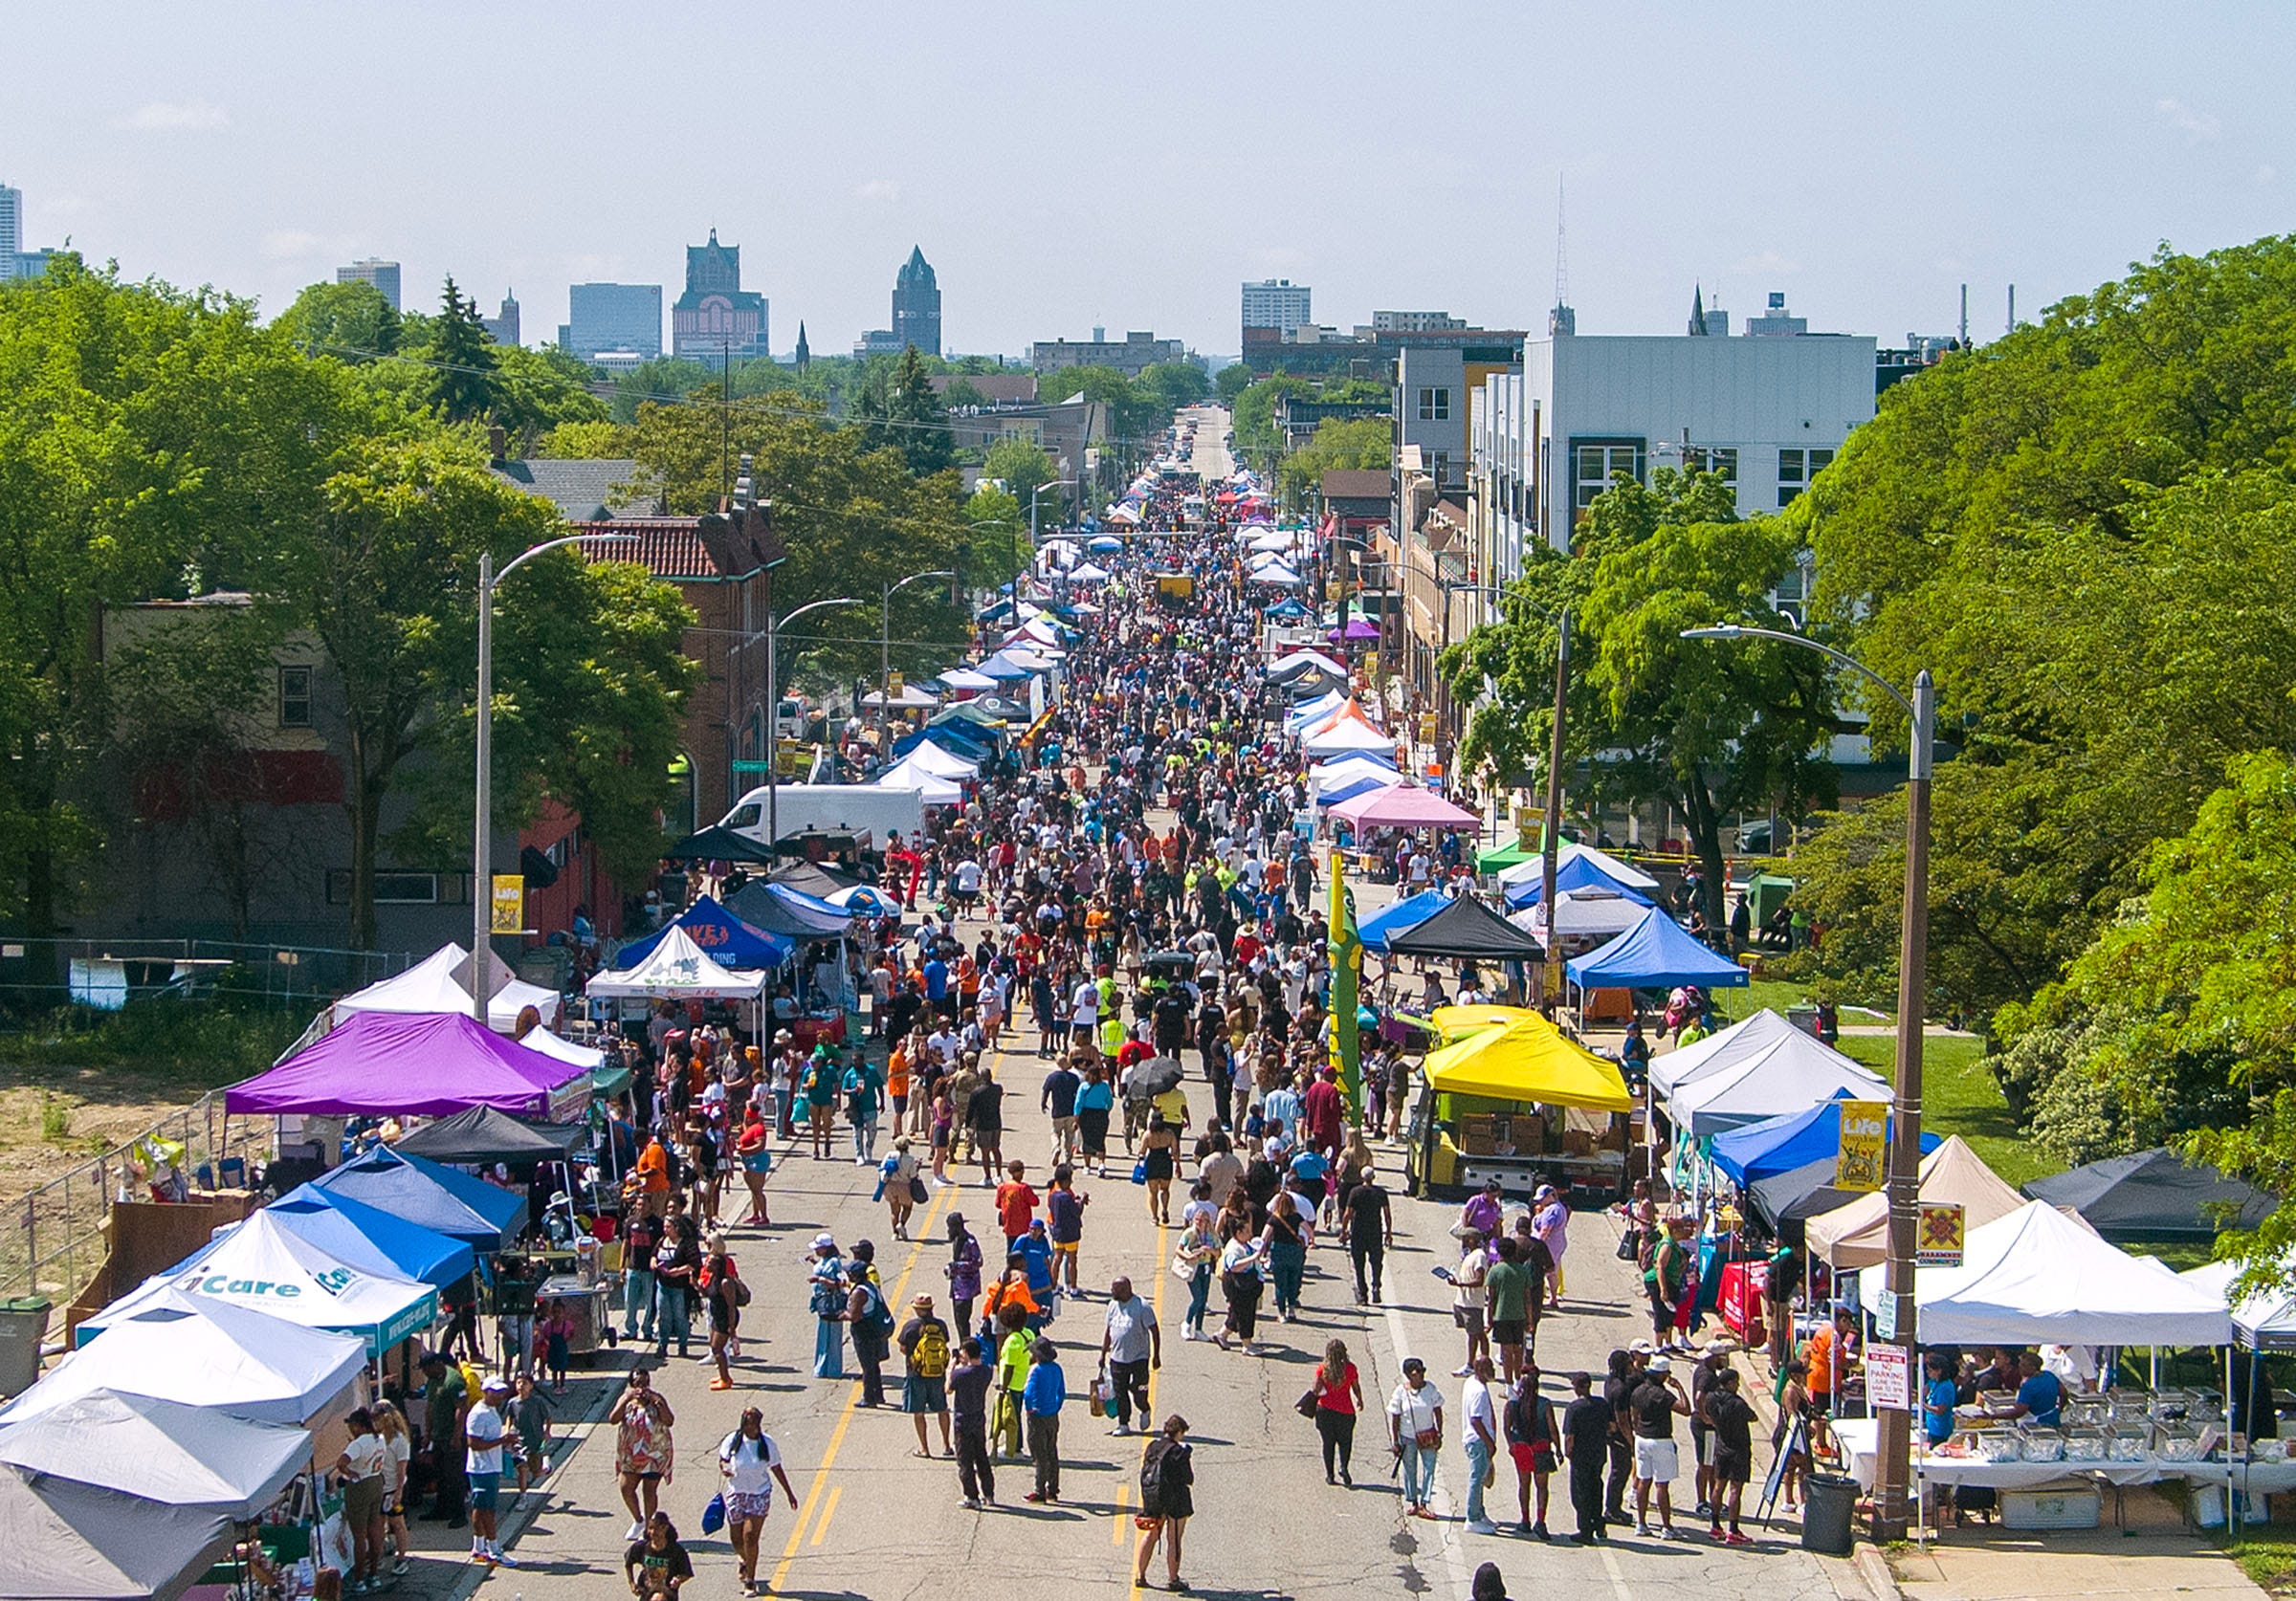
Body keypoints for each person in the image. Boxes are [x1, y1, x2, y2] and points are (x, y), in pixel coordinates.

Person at [717, 1406, 799, 1595]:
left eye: (754, 1423)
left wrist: (789, 1493)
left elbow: (777, 1468)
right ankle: (744, 1559)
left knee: (750, 1536)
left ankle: (750, 1580)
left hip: (759, 1494)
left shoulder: (767, 1444)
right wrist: (724, 1468)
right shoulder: (733, 1440)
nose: (751, 1427)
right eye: (748, 1423)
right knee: (736, 1538)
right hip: (736, 1493)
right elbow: (722, 1459)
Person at [608, 1367, 675, 1541]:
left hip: (655, 1454)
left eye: (645, 1384)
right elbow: (613, 1419)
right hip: (630, 1454)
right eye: (637, 1384)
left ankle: (648, 1529)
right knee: (626, 1487)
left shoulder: (657, 1400)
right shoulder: (626, 1400)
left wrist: (658, 1403)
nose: (641, 1388)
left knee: (649, 1490)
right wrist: (626, 1400)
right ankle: (638, 1520)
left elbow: (669, 1421)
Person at [1132, 1415, 1196, 1593]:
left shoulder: (1153, 1447)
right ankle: (1173, 1579)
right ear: (1179, 1432)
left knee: (1151, 1535)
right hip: (1176, 1502)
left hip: (1154, 1499)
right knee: (1174, 1540)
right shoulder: (1179, 1452)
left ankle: (1140, 1575)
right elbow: (1188, 1478)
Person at [1630, 1354, 1691, 1538]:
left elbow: (1634, 1417)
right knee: (1661, 1485)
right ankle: (1667, 1527)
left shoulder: (1638, 1391)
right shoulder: (1662, 1395)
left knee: (1643, 1480)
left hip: (1641, 1438)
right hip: (1661, 1440)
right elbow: (1686, 1409)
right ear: (1662, 1375)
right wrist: (1679, 1387)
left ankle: (1641, 1523)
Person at [333, 1407, 388, 1593]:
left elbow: (341, 1463)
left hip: (360, 1485)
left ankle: (358, 1578)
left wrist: (350, 1473)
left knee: (359, 1536)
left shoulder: (358, 1444)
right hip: (376, 1481)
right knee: (375, 1531)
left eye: (351, 1426)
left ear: (357, 1426)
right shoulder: (379, 1439)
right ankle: (373, 1574)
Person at [1099, 1275, 1161, 1436]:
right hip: (1117, 1358)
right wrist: (1103, 1353)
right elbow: (1108, 1331)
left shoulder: (1142, 1306)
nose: (1111, 1291)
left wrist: (1156, 1355)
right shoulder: (1113, 1305)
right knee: (1120, 1392)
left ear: (1125, 1289)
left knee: (1140, 1388)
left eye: (1114, 1289)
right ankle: (1123, 1424)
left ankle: (1144, 1408)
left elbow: (1154, 1331)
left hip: (1139, 1358)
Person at [1700, 1367, 1756, 1545]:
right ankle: (1733, 1529)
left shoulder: (1711, 1399)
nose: (1738, 1385)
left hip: (1722, 1446)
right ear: (1729, 1383)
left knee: (1718, 1486)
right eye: (1736, 1382)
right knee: (1735, 1490)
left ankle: (1715, 1526)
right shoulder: (1737, 1403)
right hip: (1738, 1449)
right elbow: (1753, 1417)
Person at [1503, 1364, 1557, 1539]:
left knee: (1524, 1483)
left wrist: (1511, 1444)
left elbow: (1506, 1427)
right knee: (1542, 1486)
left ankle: (1525, 1519)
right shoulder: (1544, 1404)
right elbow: (1552, 1428)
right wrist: (1558, 1448)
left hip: (1521, 1448)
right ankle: (1541, 1522)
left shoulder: (1512, 1404)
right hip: (1541, 1447)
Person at [898, 1293, 956, 1458]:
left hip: (916, 1374)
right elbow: (944, 1343)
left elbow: (902, 1348)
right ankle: (946, 1445)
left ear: (917, 1309)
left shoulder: (910, 1326)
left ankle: (925, 1448)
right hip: (937, 1374)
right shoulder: (941, 1325)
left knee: (919, 1412)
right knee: (942, 1409)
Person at [464, 1376, 513, 1567]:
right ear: (486, 1392)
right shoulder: (477, 1414)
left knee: (481, 1508)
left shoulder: (491, 1410)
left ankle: (479, 1547)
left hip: (491, 1467)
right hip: (482, 1469)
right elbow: (474, 1444)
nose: (500, 1396)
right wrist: (502, 1441)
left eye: (501, 1392)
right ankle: (493, 1549)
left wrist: (505, 1442)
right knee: (487, 1511)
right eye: (496, 1393)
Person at [1559, 1371, 1613, 1544]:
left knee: (1580, 1493)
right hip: (1598, 1454)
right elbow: (1612, 1427)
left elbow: (1570, 1437)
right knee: (1596, 1488)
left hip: (1581, 1457)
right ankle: (1598, 1523)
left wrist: (1568, 1453)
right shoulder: (1602, 1404)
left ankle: (1585, 1530)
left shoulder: (1574, 1408)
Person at [1388, 1357, 1446, 1520]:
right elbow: (1395, 1417)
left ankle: (1424, 1503)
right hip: (1408, 1437)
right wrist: (1396, 1442)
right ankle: (1413, 1501)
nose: (1420, 1376)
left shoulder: (1431, 1389)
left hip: (1428, 1436)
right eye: (1416, 1373)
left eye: (1422, 1372)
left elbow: (1438, 1411)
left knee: (1429, 1469)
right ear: (1408, 1375)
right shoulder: (1400, 1392)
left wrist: (1439, 1433)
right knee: (1409, 1469)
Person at [417, 1349, 468, 1528]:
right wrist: (427, 1434)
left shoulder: (453, 1381)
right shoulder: (432, 1380)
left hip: (451, 1436)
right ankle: (441, 1509)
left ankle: (459, 1514)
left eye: (425, 1369)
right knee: (440, 1474)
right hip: (438, 1436)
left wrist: (456, 1436)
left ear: (436, 1365)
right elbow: (429, 1407)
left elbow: (461, 1410)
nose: (424, 1373)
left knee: (454, 1476)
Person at [845, 1239, 894, 1408]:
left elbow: (854, 1314)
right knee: (873, 1363)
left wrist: (838, 1315)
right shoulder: (868, 1284)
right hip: (874, 1328)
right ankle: (878, 1394)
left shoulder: (864, 1286)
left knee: (867, 1365)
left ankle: (869, 1397)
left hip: (865, 1330)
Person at [949, 1337, 998, 1508]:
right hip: (978, 1418)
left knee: (965, 1460)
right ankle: (989, 1494)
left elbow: (948, 1389)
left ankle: (972, 1496)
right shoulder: (987, 1371)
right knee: (981, 1456)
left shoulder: (960, 1374)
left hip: (963, 1421)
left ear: (967, 1353)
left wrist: (952, 1368)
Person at [1312, 1337, 1365, 1485]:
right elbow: (1355, 1387)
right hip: (1345, 1411)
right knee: (1345, 1442)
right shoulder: (1350, 1368)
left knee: (1328, 1444)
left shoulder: (1322, 1368)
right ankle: (1344, 1467)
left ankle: (1330, 1475)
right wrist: (1360, 1400)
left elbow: (1316, 1389)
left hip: (1325, 1410)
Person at [370, 1400, 415, 1578]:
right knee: (378, 1524)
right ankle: (378, 1555)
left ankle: (401, 1557)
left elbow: (401, 1468)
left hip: (393, 1488)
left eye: (376, 1419)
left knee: (397, 1523)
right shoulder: (378, 1438)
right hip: (378, 1488)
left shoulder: (399, 1440)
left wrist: (398, 1492)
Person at [1022, 1337, 1068, 1503]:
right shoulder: (1057, 1369)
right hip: (1052, 1414)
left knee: (1039, 1454)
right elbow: (1061, 1392)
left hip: (1038, 1415)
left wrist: (1029, 1409)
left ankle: (1039, 1490)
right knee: (1052, 1451)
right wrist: (1056, 1407)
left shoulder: (1036, 1370)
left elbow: (1028, 1393)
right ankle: (1053, 1489)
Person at [1340, 1165, 1393, 1305]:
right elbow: (1387, 1215)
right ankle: (1376, 1285)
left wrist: (1343, 1231)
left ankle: (1363, 1294)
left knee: (1359, 1264)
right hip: (1375, 1231)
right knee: (1376, 1262)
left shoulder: (1355, 1192)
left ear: (1361, 1177)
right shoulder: (1381, 1193)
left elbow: (1348, 1213)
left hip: (1358, 1232)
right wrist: (1388, 1232)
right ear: (1373, 1177)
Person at [1213, 1217, 1265, 1354]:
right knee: (1245, 1314)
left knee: (1237, 1312)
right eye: (1247, 1231)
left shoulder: (1245, 1244)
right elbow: (1233, 1266)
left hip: (1248, 1284)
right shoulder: (1233, 1247)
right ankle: (1247, 1345)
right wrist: (1252, 1259)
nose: (1250, 1233)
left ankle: (1222, 1335)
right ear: (1238, 1232)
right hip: (1237, 1284)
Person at [1484, 1237, 1532, 1383]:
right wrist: (1529, 1320)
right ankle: (1518, 1380)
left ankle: (1509, 1384)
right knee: (1518, 1350)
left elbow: (1491, 1300)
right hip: (1519, 1316)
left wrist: (1489, 1321)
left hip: (1501, 1316)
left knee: (1506, 1351)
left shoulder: (1495, 1271)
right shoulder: (1523, 1270)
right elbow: (1527, 1299)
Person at [1462, 1355, 1501, 1534]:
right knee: (1477, 1479)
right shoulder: (1479, 1391)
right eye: (1489, 1367)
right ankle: (1472, 1518)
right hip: (1478, 1441)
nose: (1493, 1370)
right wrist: (1489, 1442)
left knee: (1481, 1477)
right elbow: (1476, 1420)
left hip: (1477, 1440)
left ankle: (1480, 1512)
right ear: (1479, 1370)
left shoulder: (1472, 1382)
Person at [702, 1241, 746, 1392]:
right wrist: (696, 1284)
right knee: (713, 1346)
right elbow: (708, 1293)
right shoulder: (713, 1278)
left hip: (726, 1318)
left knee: (717, 1349)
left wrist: (732, 1328)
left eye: (710, 1262)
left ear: (717, 1266)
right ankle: (723, 1376)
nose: (706, 1263)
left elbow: (731, 1307)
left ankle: (726, 1379)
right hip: (717, 1316)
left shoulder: (725, 1282)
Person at [993, 1304, 1034, 1458]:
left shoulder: (1012, 1341)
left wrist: (1003, 1388)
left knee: (1011, 1417)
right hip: (1022, 1379)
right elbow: (1032, 1357)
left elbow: (1009, 1367)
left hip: (1011, 1384)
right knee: (1016, 1414)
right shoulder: (1028, 1334)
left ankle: (1014, 1448)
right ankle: (1016, 1445)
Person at [623, 1510, 692, 1599]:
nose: (653, 1532)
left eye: (657, 1528)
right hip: (647, 1593)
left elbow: (686, 1573)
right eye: (650, 1528)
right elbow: (628, 1562)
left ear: (665, 1528)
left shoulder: (676, 1551)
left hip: (667, 1593)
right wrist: (632, 1583)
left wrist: (678, 1580)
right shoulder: (641, 1547)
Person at [1173, 1210, 1218, 1342]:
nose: (1199, 1222)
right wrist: (1189, 1256)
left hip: (1206, 1266)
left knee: (1203, 1300)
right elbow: (1178, 1249)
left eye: (1202, 1220)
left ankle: (1198, 1329)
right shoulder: (1189, 1233)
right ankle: (1186, 1324)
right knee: (1197, 1298)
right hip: (1194, 1267)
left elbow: (1218, 1252)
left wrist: (1210, 1250)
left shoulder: (1212, 1235)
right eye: (1197, 1219)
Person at [1451, 1229, 1490, 1376]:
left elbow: (1480, 1280)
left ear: (1472, 1239)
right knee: (1475, 1334)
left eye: (1466, 1238)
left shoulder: (1480, 1256)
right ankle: (1477, 1364)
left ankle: (1474, 1364)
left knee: (1476, 1335)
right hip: (1463, 1302)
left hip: (1473, 1303)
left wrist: (1461, 1285)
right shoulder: (1470, 1255)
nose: (1463, 1241)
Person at [807, 1234, 848, 1379]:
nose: (816, 1250)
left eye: (818, 1248)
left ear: (825, 1248)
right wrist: (814, 1262)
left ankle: (833, 1369)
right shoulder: (825, 1260)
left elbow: (842, 1282)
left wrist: (821, 1280)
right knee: (823, 1335)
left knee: (833, 1336)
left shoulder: (835, 1262)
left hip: (832, 1303)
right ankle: (822, 1367)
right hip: (822, 1302)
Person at [509, 1371, 554, 1501]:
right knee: (522, 1469)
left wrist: (547, 1431)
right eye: (518, 1382)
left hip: (535, 1441)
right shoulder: (512, 1403)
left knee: (536, 1472)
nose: (521, 1386)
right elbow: (510, 1418)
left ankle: (546, 1467)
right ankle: (523, 1496)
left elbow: (548, 1418)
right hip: (520, 1442)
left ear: (531, 1386)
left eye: (524, 1383)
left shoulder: (537, 1402)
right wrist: (508, 1433)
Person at [1047, 1164, 1090, 1295]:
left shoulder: (1053, 1195)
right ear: (1065, 1181)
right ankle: (1073, 1288)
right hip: (1070, 1233)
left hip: (1058, 1232)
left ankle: (1053, 1287)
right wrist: (1081, 1201)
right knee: (1072, 1260)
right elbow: (1077, 1212)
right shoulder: (1066, 1197)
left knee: (1056, 1259)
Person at [943, 1212, 983, 1335]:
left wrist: (958, 1266)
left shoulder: (970, 1242)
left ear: (957, 1226)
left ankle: (966, 1346)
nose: (948, 1230)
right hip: (956, 1287)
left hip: (966, 1288)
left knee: (963, 1321)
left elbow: (978, 1262)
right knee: (958, 1321)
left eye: (950, 1227)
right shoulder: (956, 1240)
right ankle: (963, 1345)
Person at [2004, 1348, 2064, 1427]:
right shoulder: (2049, 1375)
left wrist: (1994, 1416)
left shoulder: (2029, 1386)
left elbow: (2019, 1412)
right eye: (2020, 1364)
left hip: (2035, 1425)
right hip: (2053, 1419)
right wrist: (2060, 1409)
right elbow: (2064, 1394)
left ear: (2033, 1367)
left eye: (2023, 1365)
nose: (2020, 1367)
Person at [883, 1135, 923, 1241]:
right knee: (907, 1207)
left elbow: (883, 1168)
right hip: (904, 1186)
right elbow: (913, 1175)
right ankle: (902, 1224)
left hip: (891, 1185)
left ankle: (895, 1234)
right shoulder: (910, 1160)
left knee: (894, 1211)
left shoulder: (890, 1155)